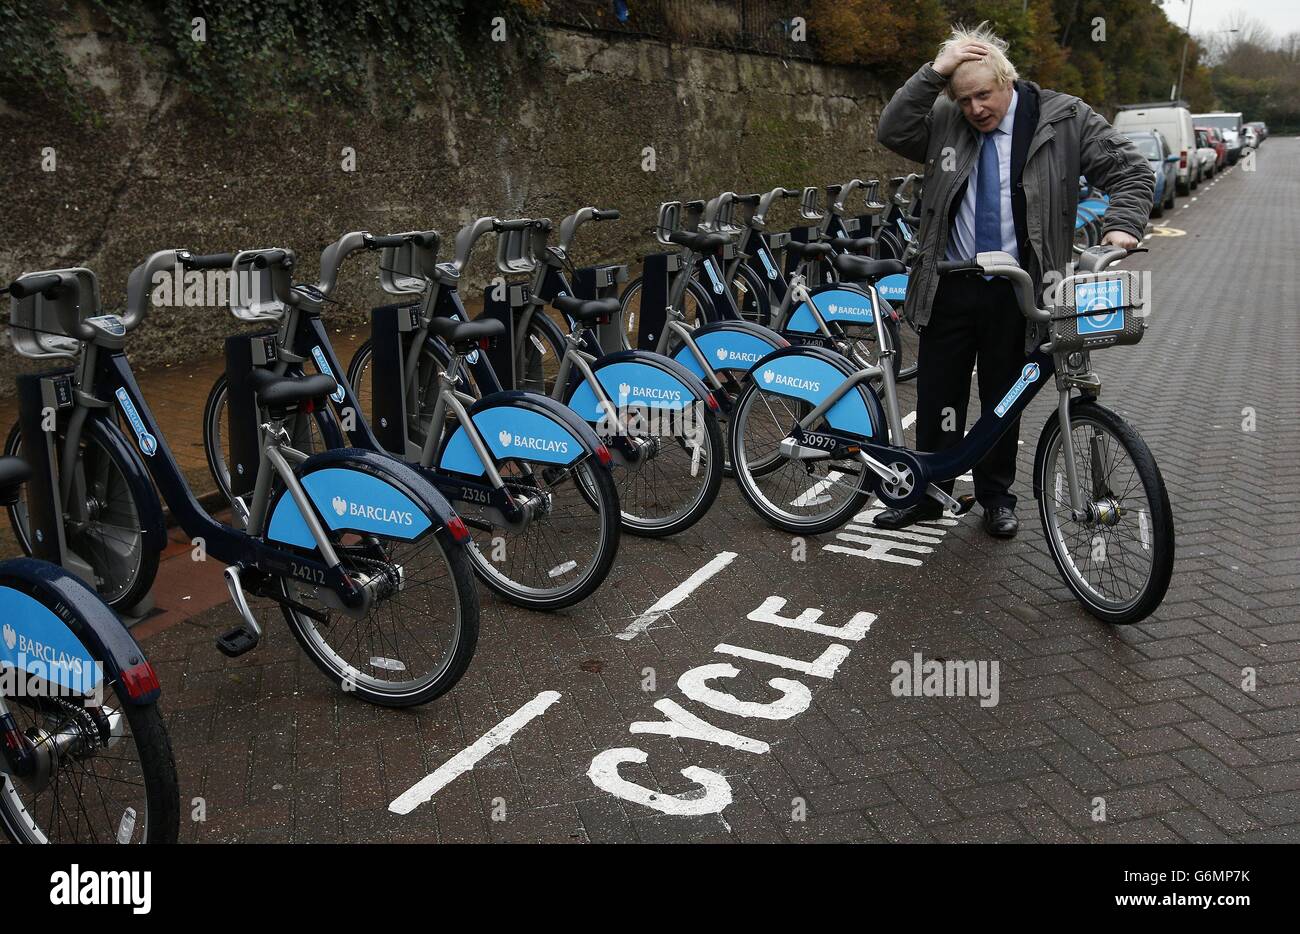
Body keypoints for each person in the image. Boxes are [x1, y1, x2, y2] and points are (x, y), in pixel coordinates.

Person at [874, 22, 1153, 537]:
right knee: (940, 396)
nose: (976, 109)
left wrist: (1120, 230)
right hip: (949, 282)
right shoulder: (943, 121)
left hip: (1022, 288)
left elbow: (1131, 170)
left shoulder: (1065, 118)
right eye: (964, 100)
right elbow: (892, 130)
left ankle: (996, 495)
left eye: (983, 95)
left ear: (1007, 79)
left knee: (1006, 394)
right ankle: (929, 493)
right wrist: (934, 73)